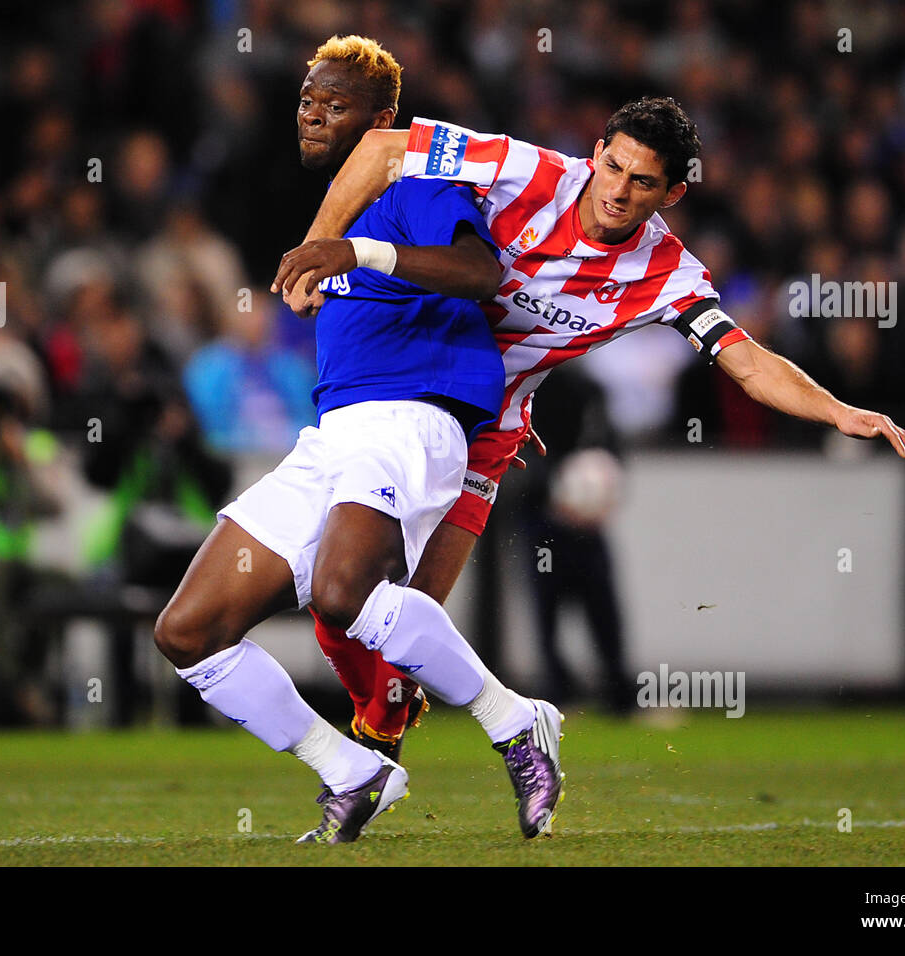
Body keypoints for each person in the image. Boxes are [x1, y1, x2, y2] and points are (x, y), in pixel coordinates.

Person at [274, 95, 905, 759]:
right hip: (406, 391)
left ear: (672, 192)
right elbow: (384, 150)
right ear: (596, 154)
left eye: (642, 181)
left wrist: (841, 411)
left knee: (405, 635)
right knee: (349, 600)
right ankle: (434, 738)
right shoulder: (524, 171)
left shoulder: (665, 273)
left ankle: (371, 775)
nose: (617, 190)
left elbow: (749, 364)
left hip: (489, 430)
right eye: (612, 167)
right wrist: (309, 252)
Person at [153, 36, 565, 845]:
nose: (312, 114)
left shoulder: (418, 182)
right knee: (188, 633)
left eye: (334, 104)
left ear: (384, 121)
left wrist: (356, 253)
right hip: (334, 434)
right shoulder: (333, 217)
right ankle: (353, 769)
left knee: (346, 597)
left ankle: (517, 724)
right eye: (308, 100)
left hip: (412, 421)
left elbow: (482, 275)